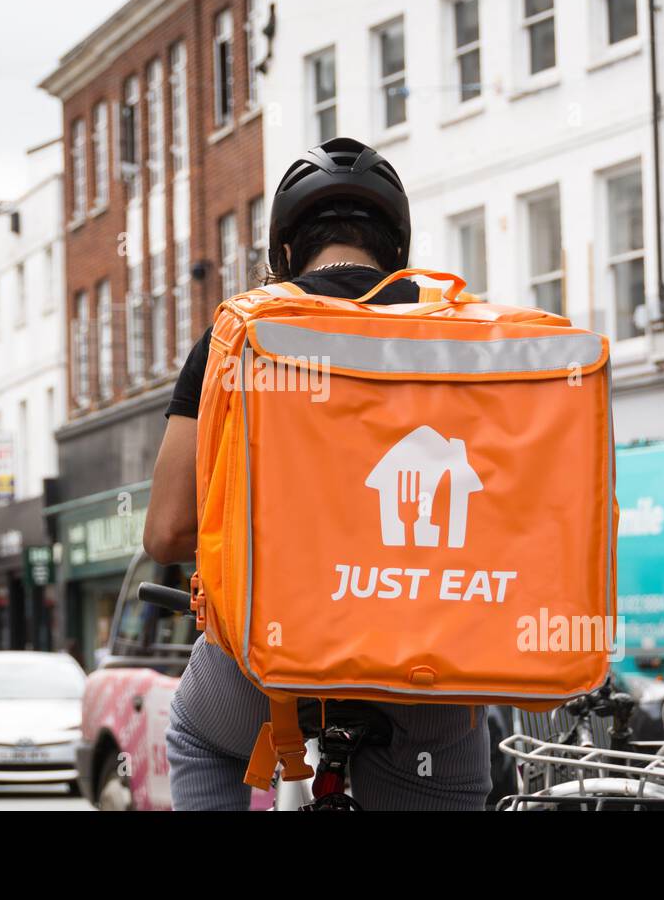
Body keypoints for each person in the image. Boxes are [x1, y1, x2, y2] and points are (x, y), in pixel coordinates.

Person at [143, 137, 492, 810]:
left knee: (196, 732)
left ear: (283, 253)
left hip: (267, 664)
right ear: (398, 251)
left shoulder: (238, 336)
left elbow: (166, 531)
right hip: (427, 666)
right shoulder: (460, 337)